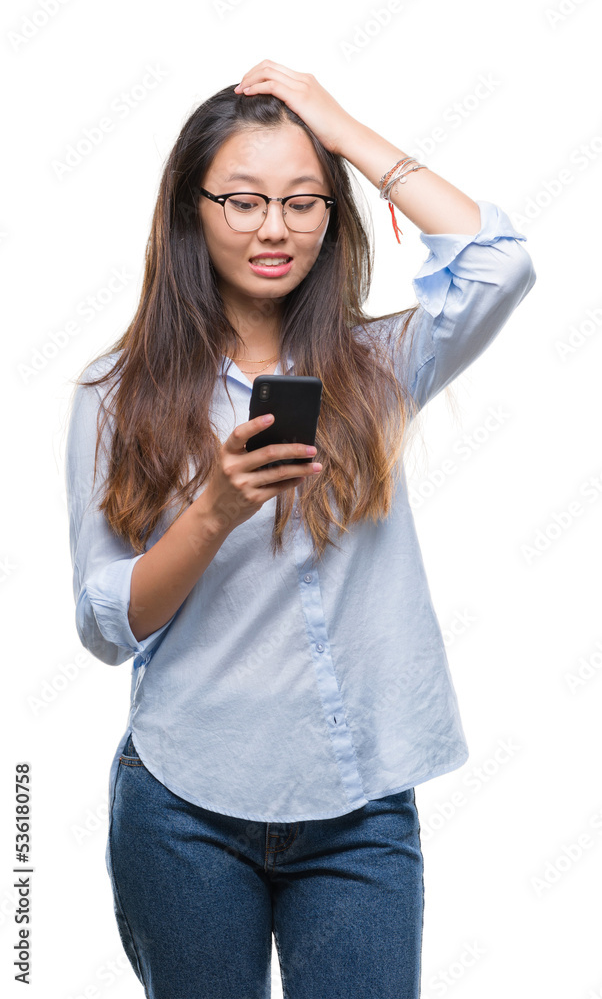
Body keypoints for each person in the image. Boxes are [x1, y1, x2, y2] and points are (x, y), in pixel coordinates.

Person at [64, 60, 536, 999]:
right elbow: (105, 625)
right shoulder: (117, 394)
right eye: (242, 201)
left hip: (359, 808)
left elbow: (500, 260)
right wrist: (214, 513)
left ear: (333, 216)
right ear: (192, 210)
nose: (275, 227)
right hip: (183, 805)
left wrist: (334, 123)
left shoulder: (378, 364)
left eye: (303, 201)